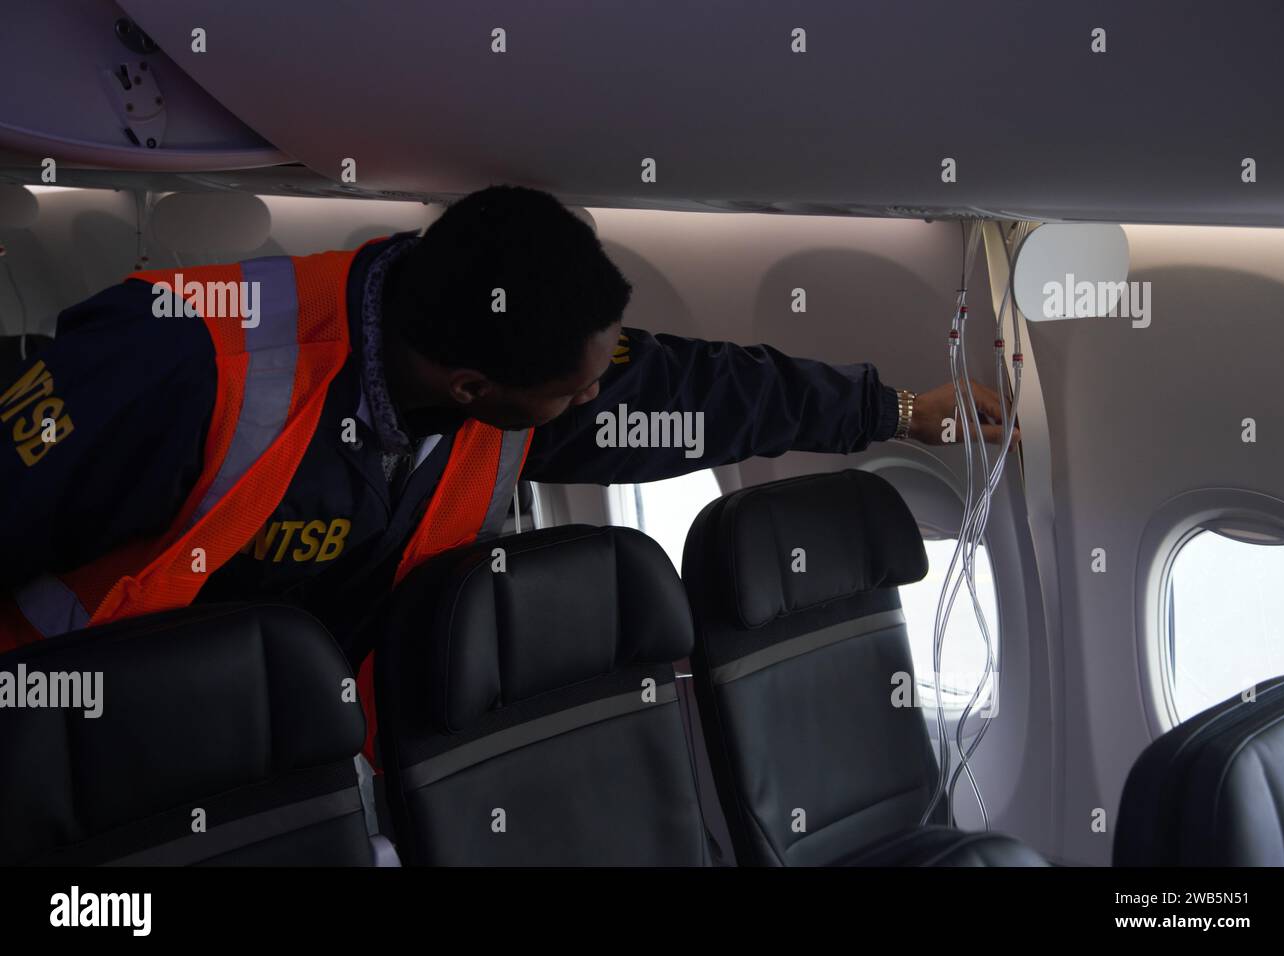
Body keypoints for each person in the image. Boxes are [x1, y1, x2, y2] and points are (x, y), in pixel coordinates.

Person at [0, 185, 1015, 752]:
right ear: (473, 384)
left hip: (275, 753)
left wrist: (896, 410)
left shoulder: (522, 375)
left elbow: (703, 394)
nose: (593, 401)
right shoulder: (183, 355)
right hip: (63, 746)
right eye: (575, 392)